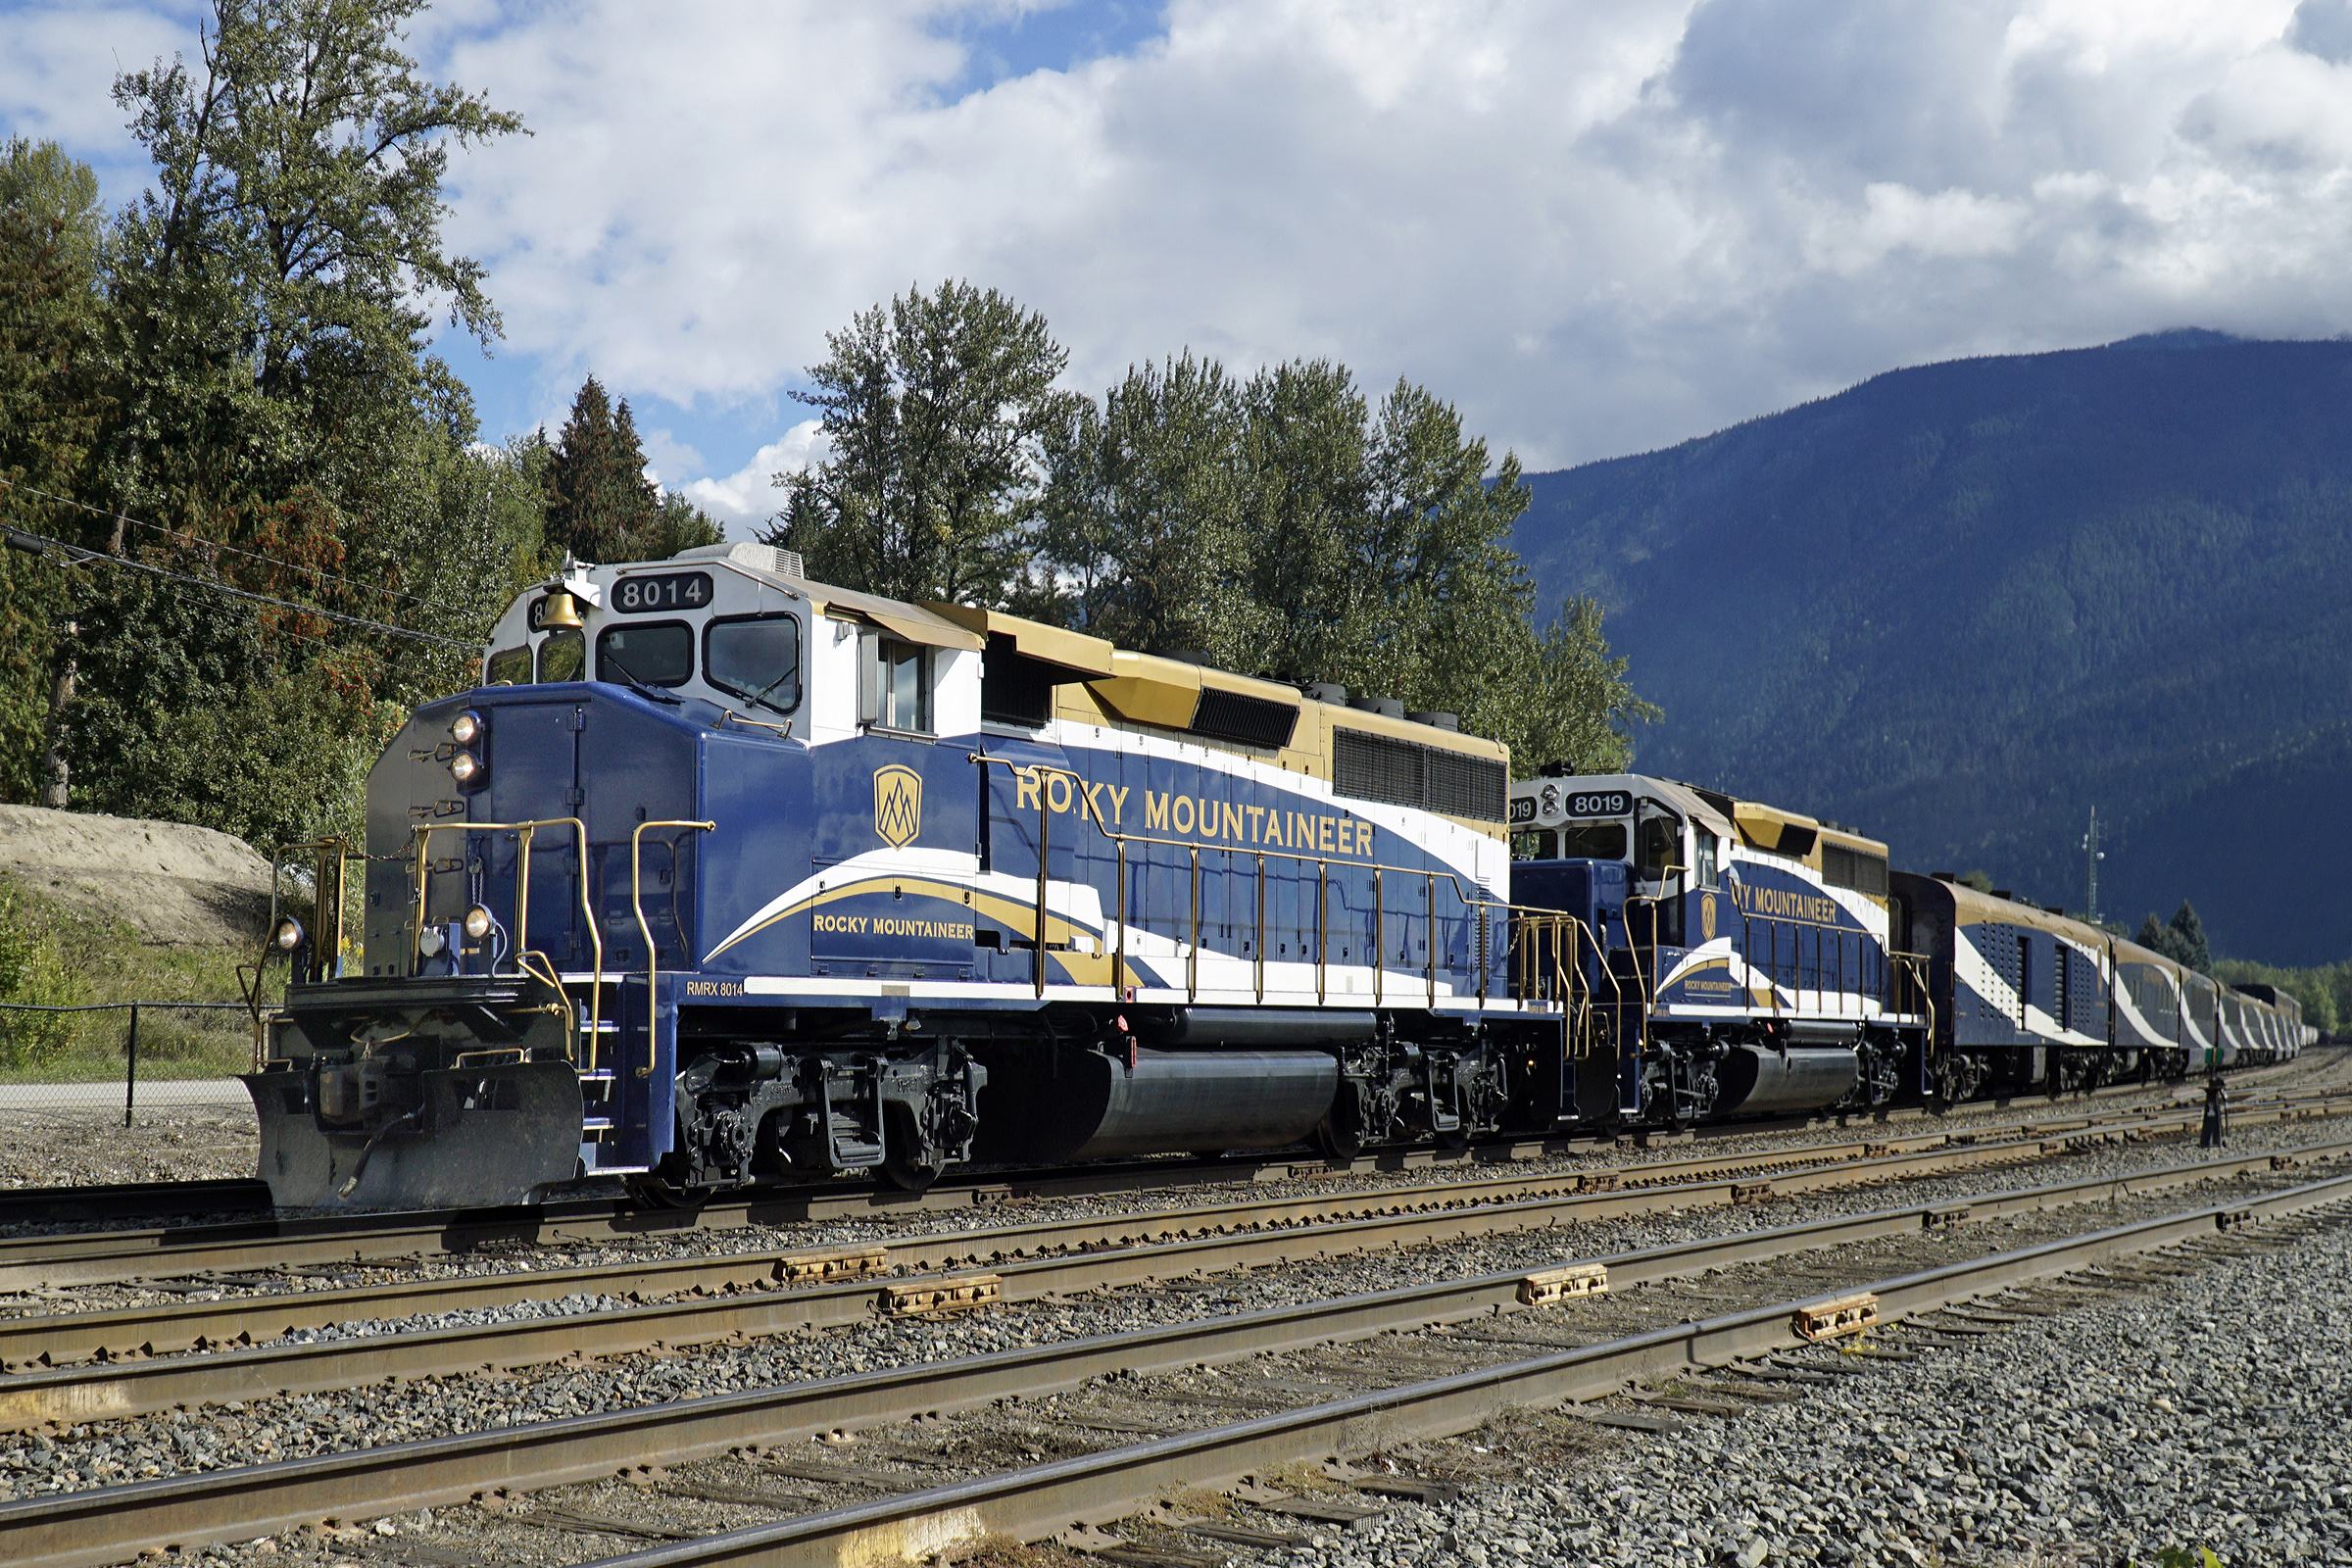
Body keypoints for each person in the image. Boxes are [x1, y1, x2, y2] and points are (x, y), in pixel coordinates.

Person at [2199, 1073, 2228, 1149]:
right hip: (2212, 1096)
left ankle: (2208, 1140)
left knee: (2210, 1121)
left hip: (2212, 1095)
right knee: (2213, 1121)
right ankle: (2214, 1140)